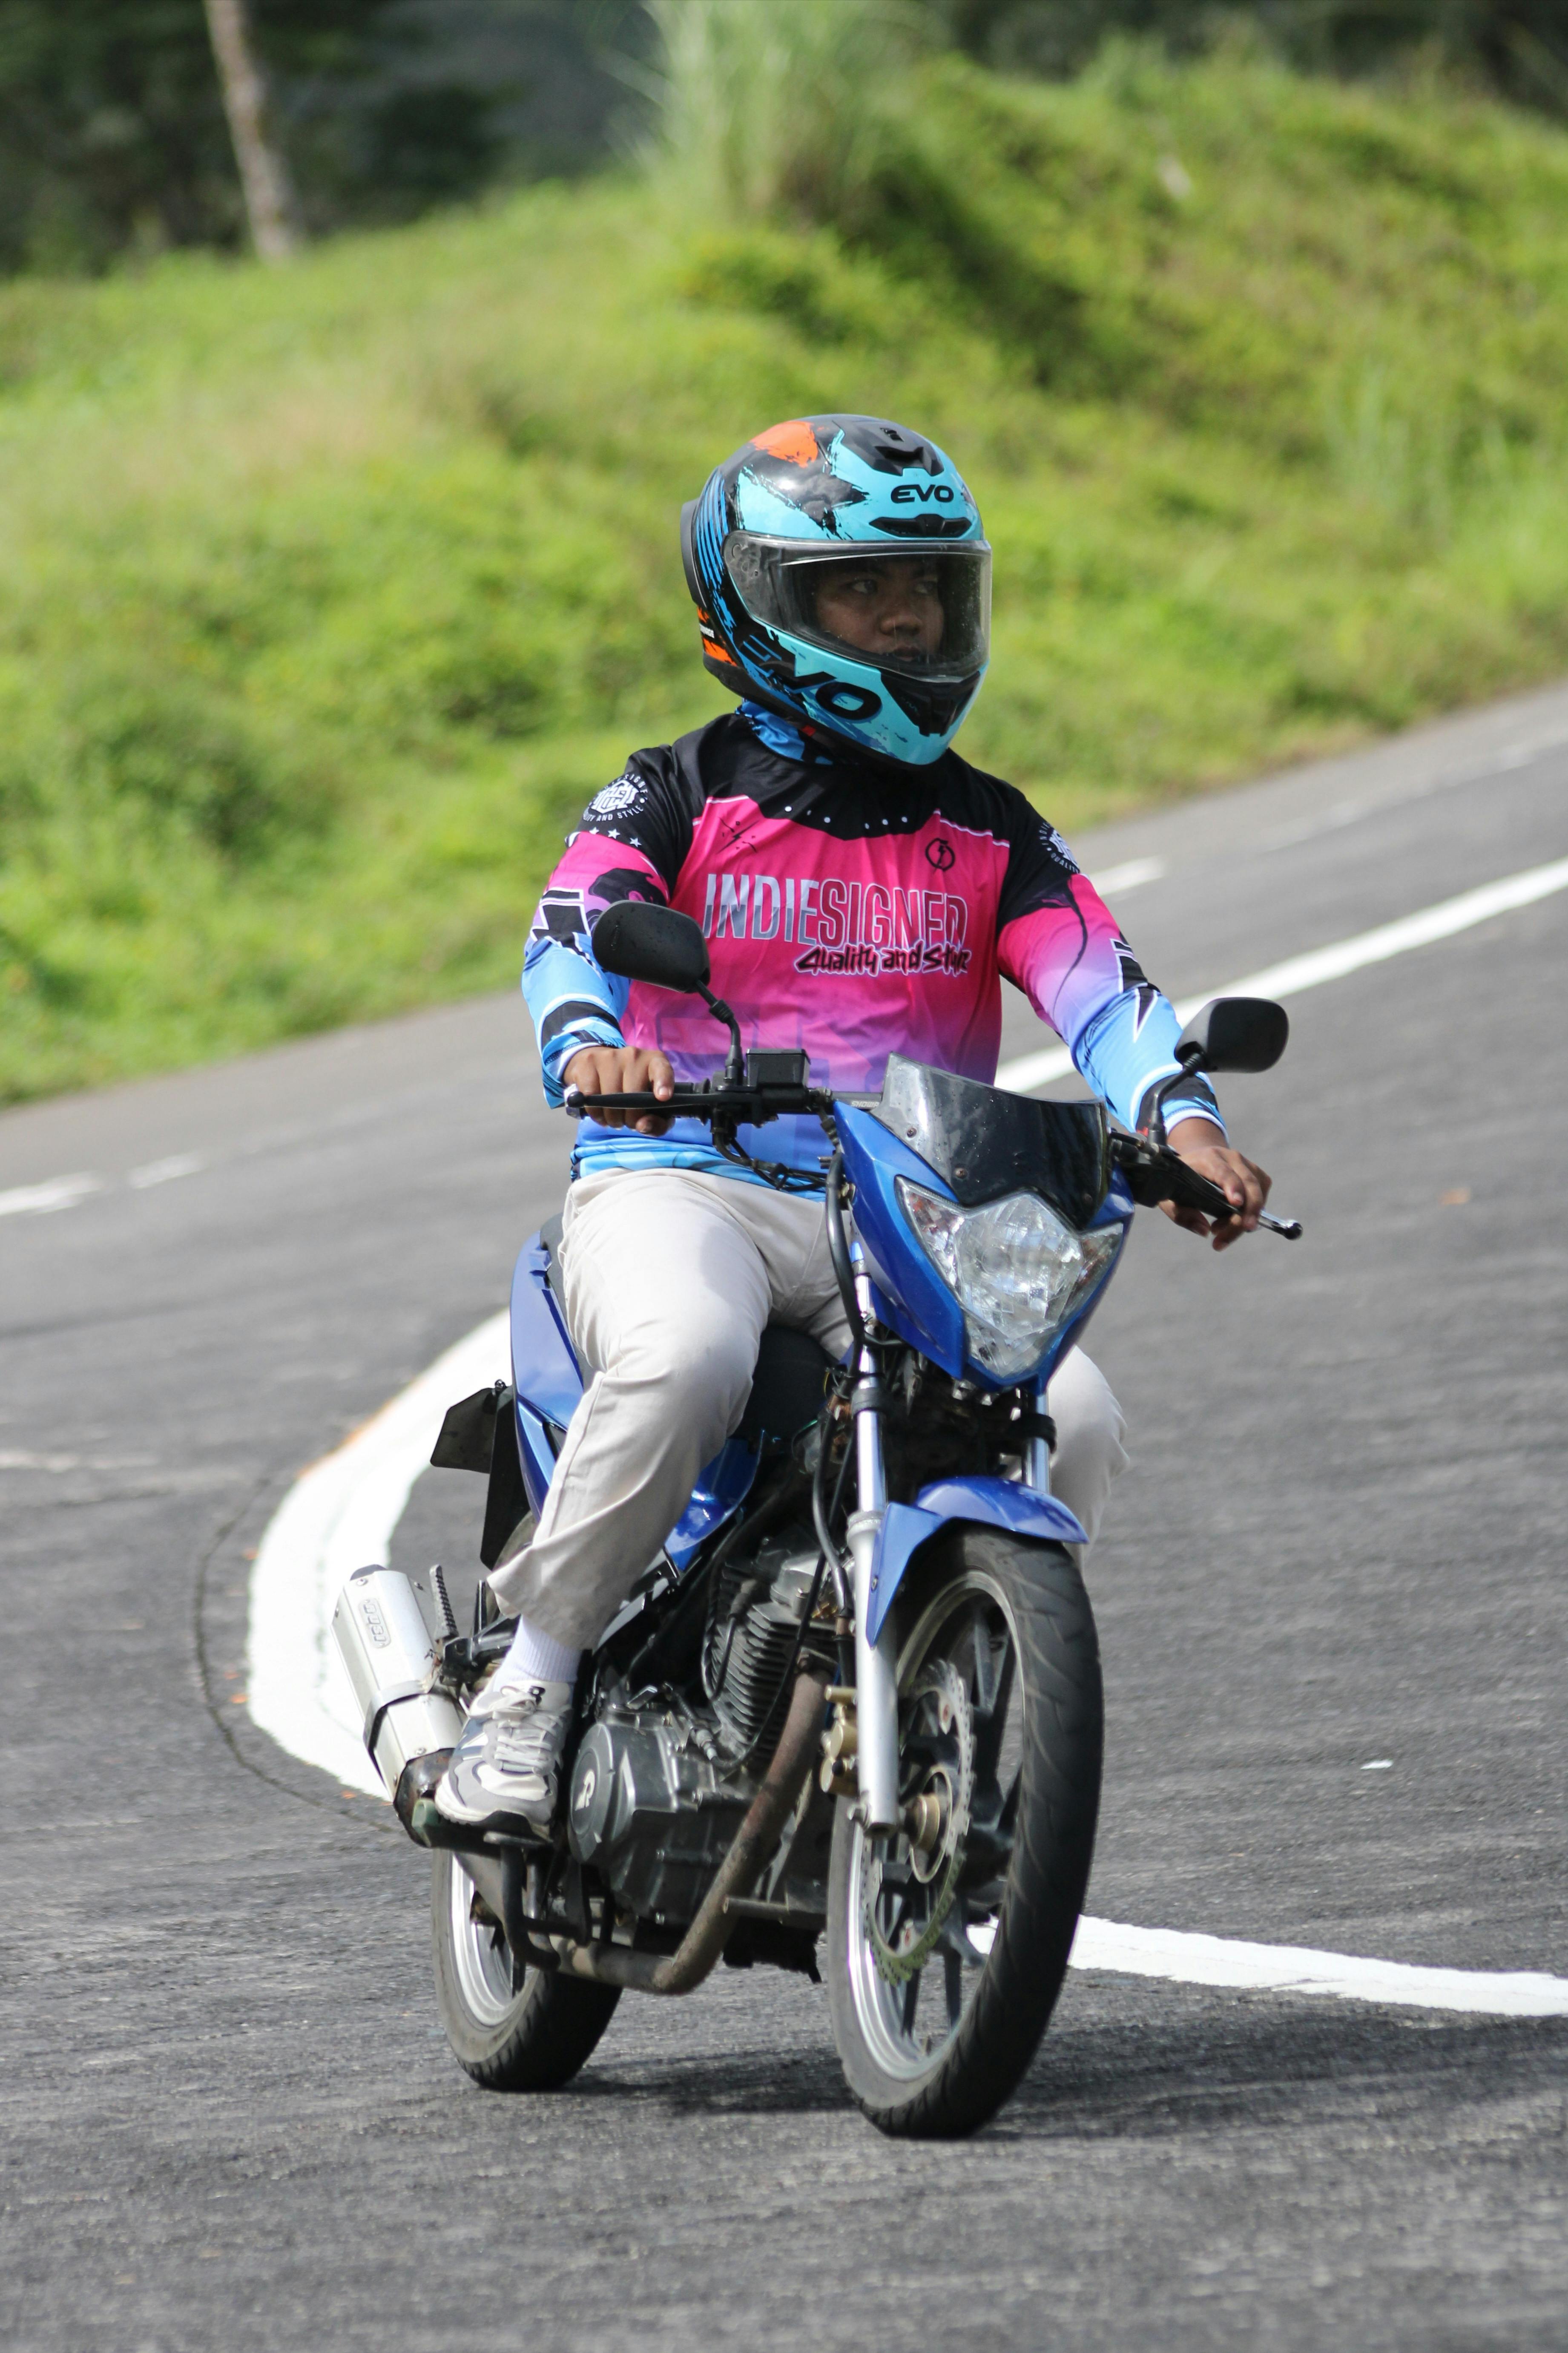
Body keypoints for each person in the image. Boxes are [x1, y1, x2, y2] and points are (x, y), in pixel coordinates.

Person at [436, 413, 1269, 1833]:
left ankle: (943, 1676)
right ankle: (533, 1678)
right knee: (686, 1357)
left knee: (1070, 1415)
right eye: (858, 588)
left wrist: (1178, 1120)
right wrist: (592, 1048)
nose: (903, 616)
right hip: (687, 1179)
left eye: (926, 587)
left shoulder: (995, 829)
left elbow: (1105, 991)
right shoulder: (676, 789)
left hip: (904, 1202)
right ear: (760, 606)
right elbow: (572, 921)